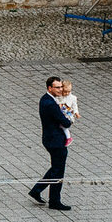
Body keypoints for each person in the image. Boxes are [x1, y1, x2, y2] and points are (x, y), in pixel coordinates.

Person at [29, 75, 74, 211]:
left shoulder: (47, 99)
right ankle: (54, 201)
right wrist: (69, 117)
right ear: (50, 88)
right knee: (58, 171)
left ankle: (37, 190)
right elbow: (65, 122)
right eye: (57, 87)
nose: (60, 89)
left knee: (56, 168)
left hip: (51, 139)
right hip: (55, 141)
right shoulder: (49, 103)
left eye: (61, 86)